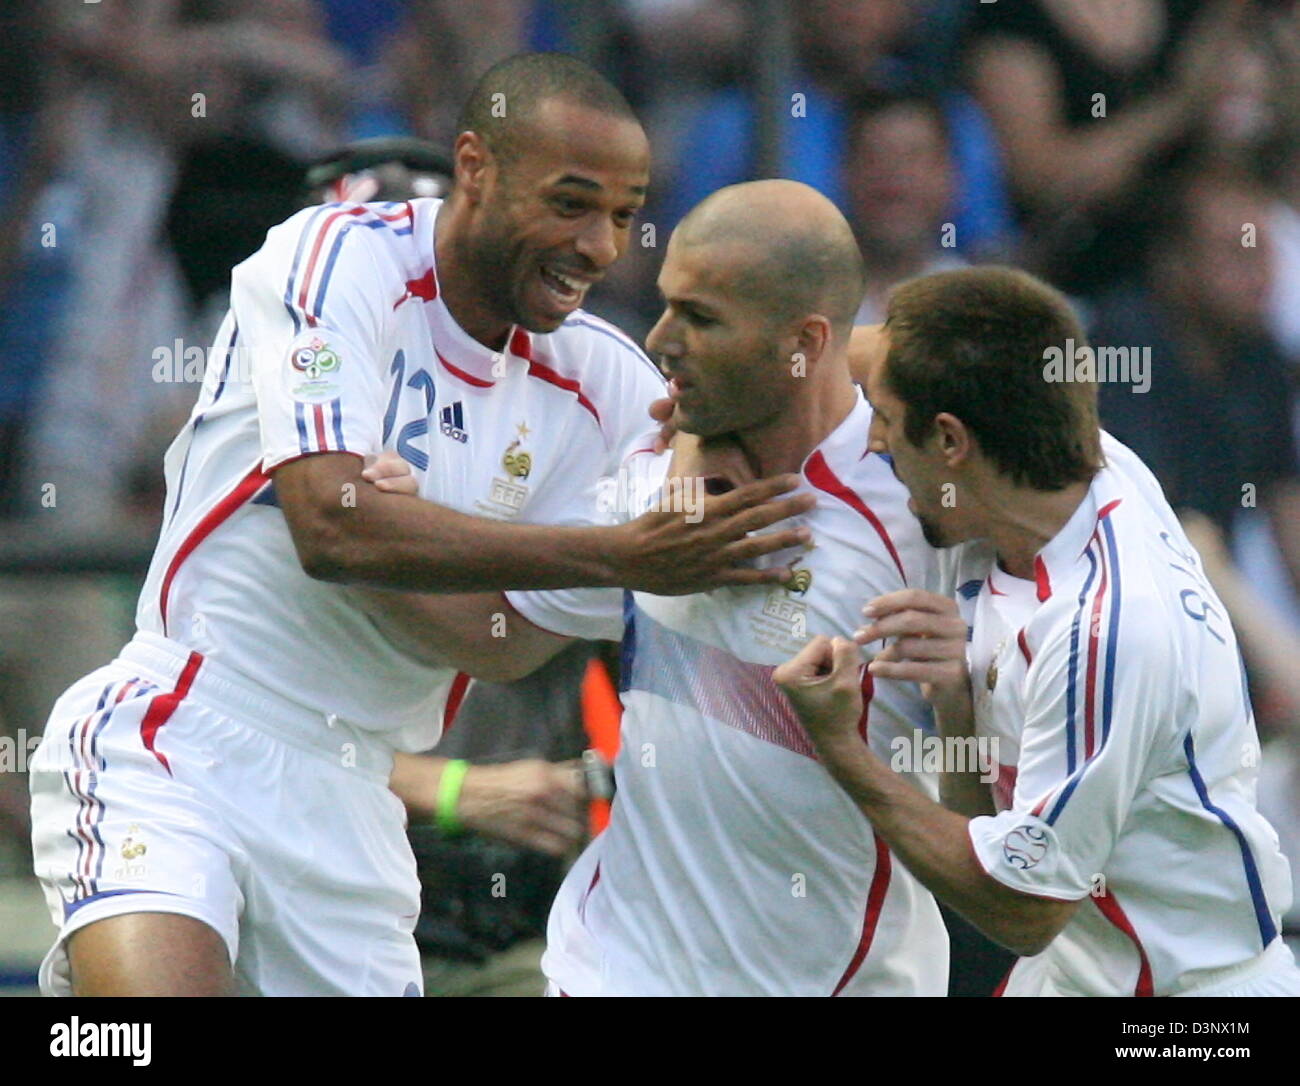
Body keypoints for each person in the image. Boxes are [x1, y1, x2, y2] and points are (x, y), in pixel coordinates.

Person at [28, 52, 812, 997]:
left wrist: (426, 544)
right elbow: (334, 528)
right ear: (475, 167)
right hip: (182, 733)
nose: (600, 245)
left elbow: (505, 644)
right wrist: (611, 554)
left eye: (623, 214)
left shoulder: (604, 382)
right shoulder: (332, 258)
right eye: (570, 203)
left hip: (355, 805)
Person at [380, 179, 951, 996]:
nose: (661, 339)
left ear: (806, 341)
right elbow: (489, 636)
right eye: (667, 305)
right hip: (610, 970)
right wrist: (357, 523)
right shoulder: (651, 481)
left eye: (701, 318)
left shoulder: (922, 511)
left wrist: (966, 684)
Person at [775, 266, 1300, 997]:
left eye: (887, 423)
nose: (870, 444)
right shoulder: (1060, 459)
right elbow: (988, 832)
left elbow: (1022, 911)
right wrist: (955, 698)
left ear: (951, 440)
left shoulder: (1106, 631)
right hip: (1074, 972)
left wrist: (841, 748)